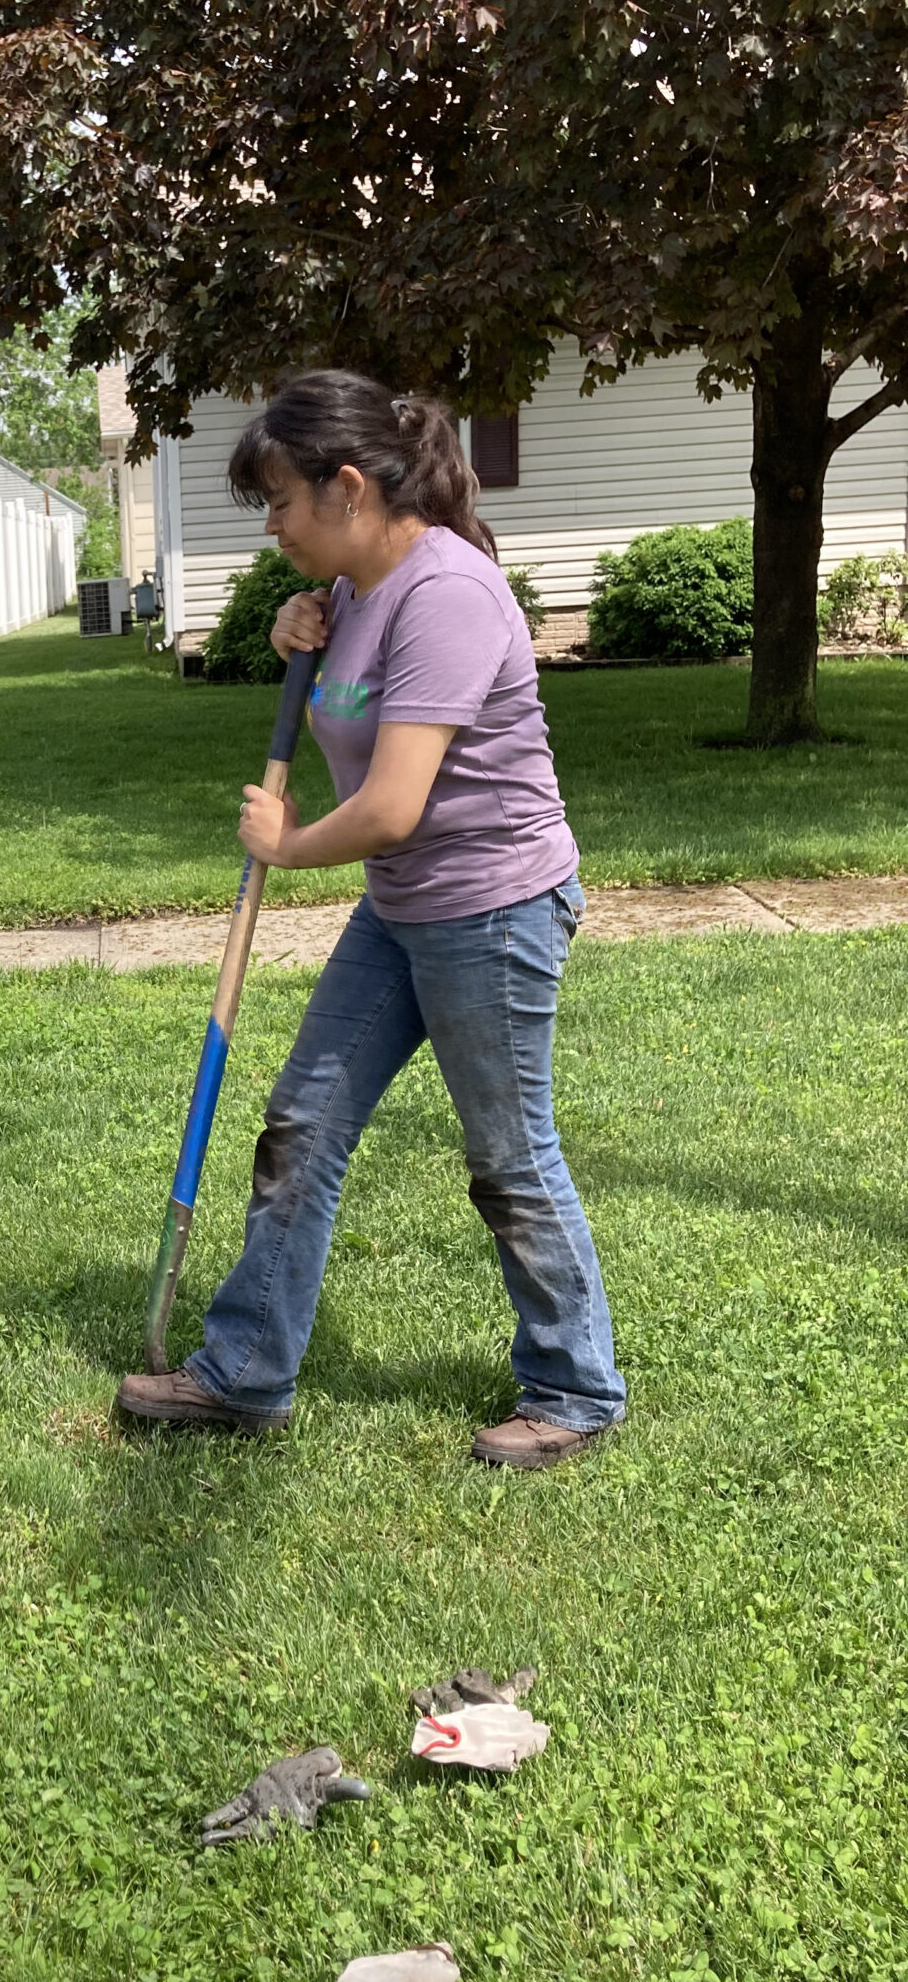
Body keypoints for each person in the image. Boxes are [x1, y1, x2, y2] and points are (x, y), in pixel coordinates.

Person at [116, 372, 625, 1467]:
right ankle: (247, 1372)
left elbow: (393, 805)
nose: (272, 523)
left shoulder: (446, 592)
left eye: (282, 499)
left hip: (492, 910)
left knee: (507, 1152)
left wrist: (286, 846)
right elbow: (348, 708)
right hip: (405, 910)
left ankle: (577, 1387)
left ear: (348, 489)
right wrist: (295, 628)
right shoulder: (354, 588)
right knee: (303, 1119)